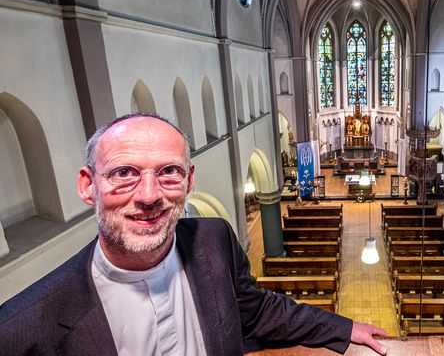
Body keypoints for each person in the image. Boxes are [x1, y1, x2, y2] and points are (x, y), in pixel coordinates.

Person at [0, 114, 388, 355]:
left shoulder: (213, 239)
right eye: (124, 173)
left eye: (168, 171)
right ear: (87, 186)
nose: (149, 195)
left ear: (188, 181)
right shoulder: (20, 331)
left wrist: (344, 327)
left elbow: (259, 311)